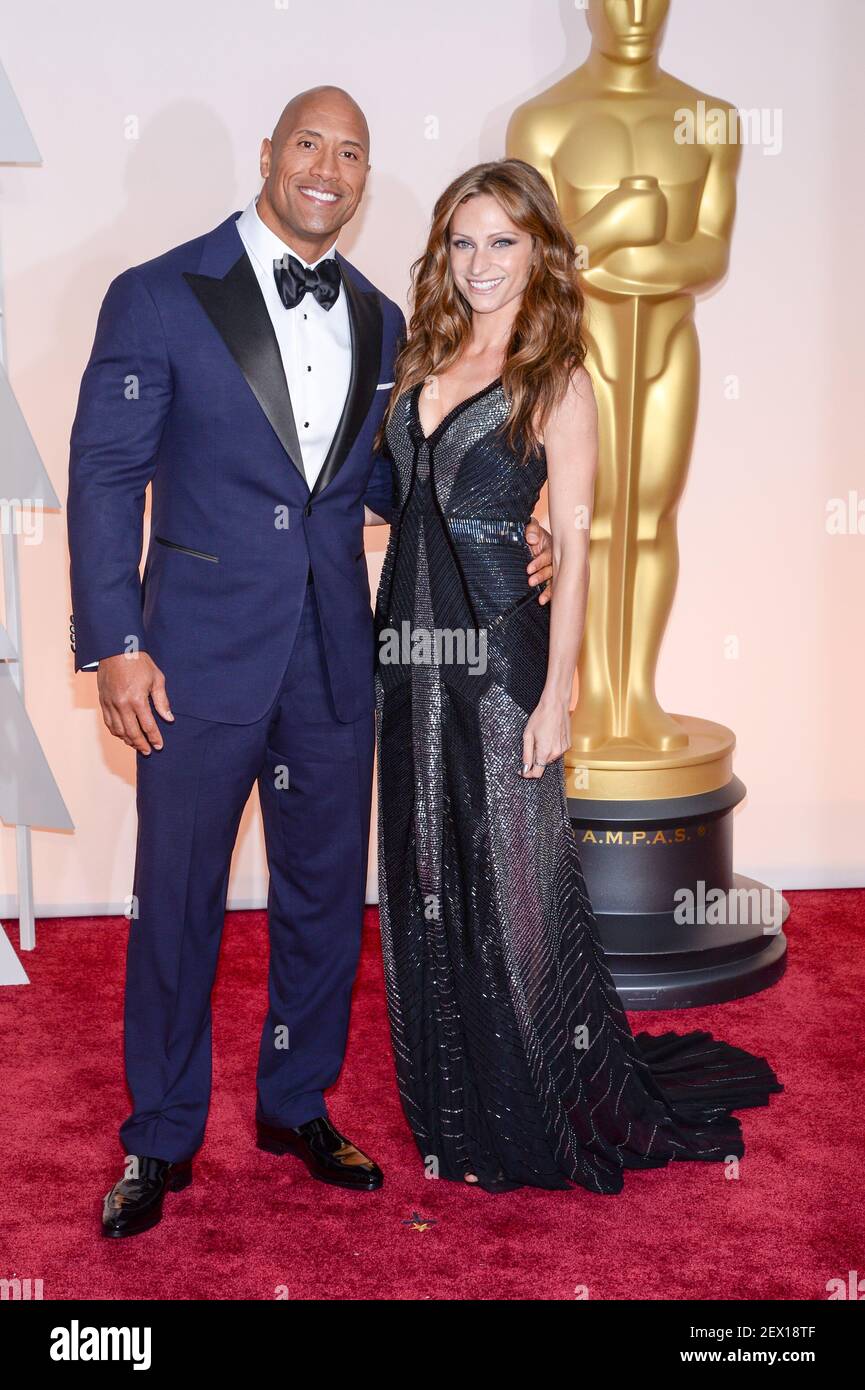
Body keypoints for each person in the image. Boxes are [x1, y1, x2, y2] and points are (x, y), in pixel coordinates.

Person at [67, 85, 557, 1237]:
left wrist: (520, 519)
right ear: (270, 154)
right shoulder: (157, 294)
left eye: (351, 152)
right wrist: (117, 646)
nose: (328, 167)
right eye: (309, 144)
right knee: (178, 899)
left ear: (365, 176)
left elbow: (396, 482)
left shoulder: (387, 321)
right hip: (189, 656)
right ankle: (162, 1135)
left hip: (337, 655)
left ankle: (295, 1100)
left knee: (326, 897)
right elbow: (102, 480)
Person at [372, 158, 783, 1194]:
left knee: (515, 886)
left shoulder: (559, 375)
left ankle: (533, 1098)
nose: (479, 263)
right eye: (462, 242)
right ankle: (452, 1106)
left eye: (501, 241)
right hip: (409, 659)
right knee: (427, 877)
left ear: (540, 251)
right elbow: (397, 501)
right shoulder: (421, 358)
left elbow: (584, 543)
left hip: (503, 658)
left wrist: (562, 694)